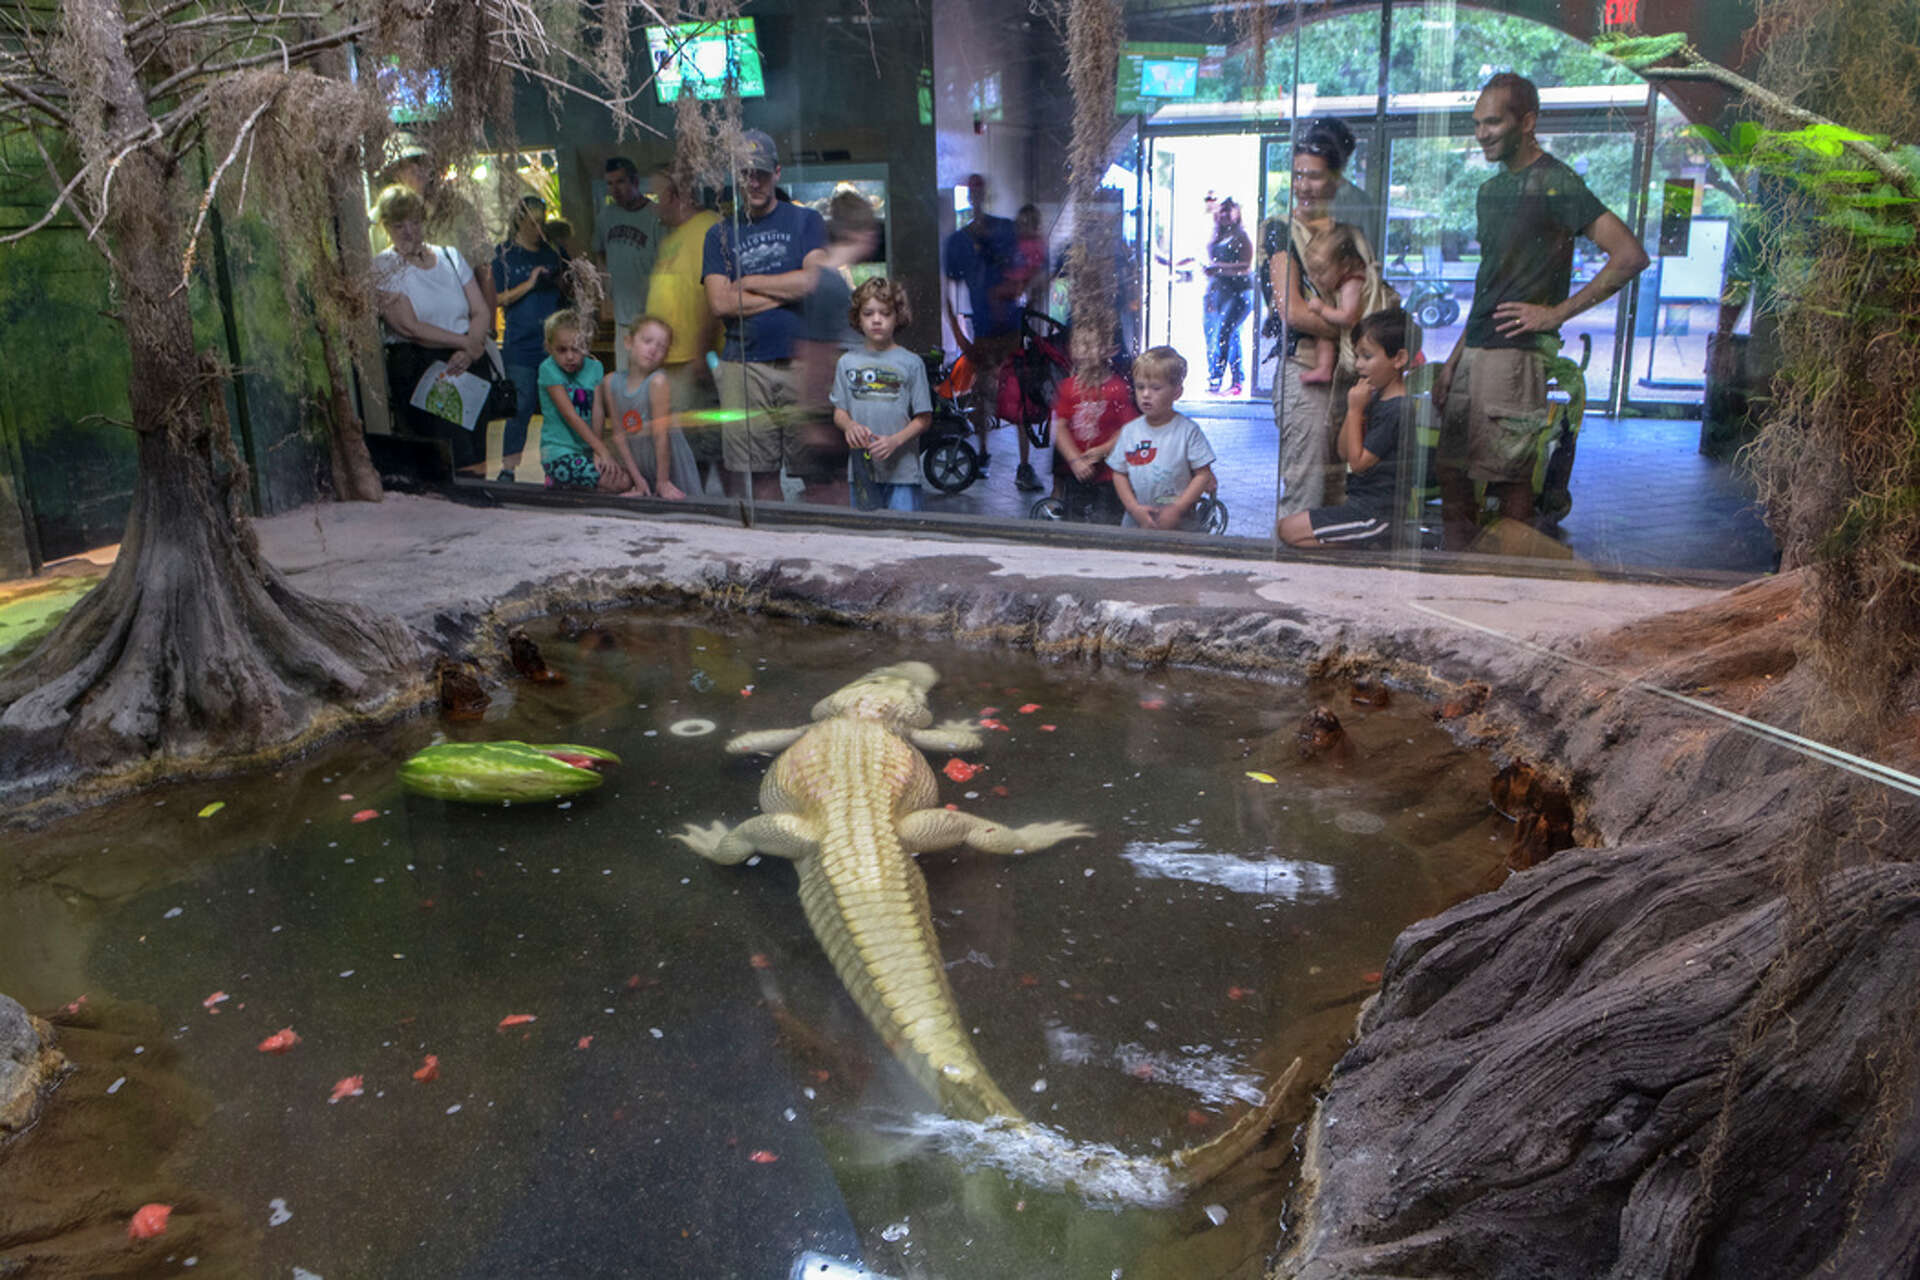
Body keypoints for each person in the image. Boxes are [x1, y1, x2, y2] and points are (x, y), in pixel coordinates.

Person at [1433, 72, 1649, 548]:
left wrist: (1556, 315)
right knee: (1450, 472)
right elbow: (1489, 284)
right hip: (1476, 351)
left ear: (1527, 121)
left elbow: (1630, 255)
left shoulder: (1556, 181)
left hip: (1516, 356)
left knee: (1509, 478)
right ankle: (1457, 583)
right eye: (1477, 123)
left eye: (1492, 122)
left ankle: (1510, 588)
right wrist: (1452, 362)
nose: (1482, 133)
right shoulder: (1490, 192)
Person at [702, 129, 828, 501]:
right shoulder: (720, 234)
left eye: (760, 172)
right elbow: (721, 304)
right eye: (745, 173)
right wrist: (788, 292)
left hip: (802, 362)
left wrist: (750, 283)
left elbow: (814, 283)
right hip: (744, 367)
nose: (753, 181)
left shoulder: (806, 222)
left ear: (777, 172)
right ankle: (776, 552)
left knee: (819, 476)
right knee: (760, 477)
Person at [1267, 119, 1378, 524]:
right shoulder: (1280, 230)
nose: (1304, 186)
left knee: (1339, 491)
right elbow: (1291, 311)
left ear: (1335, 180)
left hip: (1349, 377)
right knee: (1306, 491)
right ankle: (1288, 577)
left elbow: (1370, 299)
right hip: (1303, 372)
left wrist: (1352, 327)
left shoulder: (1351, 232)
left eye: (1314, 176)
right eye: (1298, 175)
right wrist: (1352, 327)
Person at [371, 183, 492, 473]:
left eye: (414, 222)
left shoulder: (450, 256)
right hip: (424, 364)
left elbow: (480, 309)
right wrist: (465, 343)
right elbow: (409, 327)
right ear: (387, 227)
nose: (409, 231)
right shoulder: (384, 266)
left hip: (470, 360)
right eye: (399, 225)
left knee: (477, 452)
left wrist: (471, 348)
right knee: (451, 453)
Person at [1280, 306, 1417, 548]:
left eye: (1367, 357)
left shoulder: (1397, 409)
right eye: (1357, 356)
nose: (1359, 366)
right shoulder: (1375, 399)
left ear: (1399, 359)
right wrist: (1357, 411)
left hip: (1377, 517)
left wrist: (1354, 410)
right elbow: (1344, 452)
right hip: (1358, 507)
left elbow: (1358, 463)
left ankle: (1366, 547)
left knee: (1290, 531)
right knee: (1286, 527)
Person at [943, 174, 1040, 490]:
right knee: (982, 392)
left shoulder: (1005, 231)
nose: (976, 197)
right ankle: (982, 453)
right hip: (983, 331)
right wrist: (959, 335)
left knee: (1019, 393)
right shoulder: (959, 242)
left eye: (980, 190)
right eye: (972, 192)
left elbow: (1028, 269)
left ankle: (1024, 465)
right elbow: (949, 289)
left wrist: (1018, 295)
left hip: (1010, 328)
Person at [795, 189, 881, 505]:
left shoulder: (832, 280)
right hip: (827, 413)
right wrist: (816, 418)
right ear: (862, 232)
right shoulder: (828, 284)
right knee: (831, 494)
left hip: (832, 410)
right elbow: (816, 352)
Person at [645, 164, 723, 491]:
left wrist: (702, 351)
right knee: (679, 446)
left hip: (694, 362)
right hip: (668, 364)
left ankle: (706, 507)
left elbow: (713, 297)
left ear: (677, 195)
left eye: (656, 194)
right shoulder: (670, 238)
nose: (652, 203)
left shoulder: (710, 229)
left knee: (701, 447)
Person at [832, 277, 932, 512]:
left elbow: (924, 418)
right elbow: (839, 412)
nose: (877, 320)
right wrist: (850, 427)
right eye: (868, 313)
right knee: (865, 537)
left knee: (903, 538)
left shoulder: (911, 363)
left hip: (902, 473)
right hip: (862, 472)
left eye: (885, 313)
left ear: (897, 317)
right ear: (858, 317)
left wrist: (895, 441)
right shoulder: (846, 362)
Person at [490, 194, 570, 482]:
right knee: (520, 408)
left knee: (558, 407)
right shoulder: (504, 255)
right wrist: (530, 283)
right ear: (519, 222)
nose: (538, 229)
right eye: (533, 223)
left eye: (542, 222)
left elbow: (567, 292)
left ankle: (557, 466)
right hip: (520, 345)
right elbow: (497, 298)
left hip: (553, 344)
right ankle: (508, 469)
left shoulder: (552, 252)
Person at [1108, 346, 1217, 531]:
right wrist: (1134, 508)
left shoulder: (1188, 431)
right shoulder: (1130, 432)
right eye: (1140, 387)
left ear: (1176, 392)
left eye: (1155, 388)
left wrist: (1178, 508)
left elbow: (1203, 474)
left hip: (1181, 522)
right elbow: (1119, 473)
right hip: (1137, 521)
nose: (1145, 394)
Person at [596, 315, 700, 500]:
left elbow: (661, 437)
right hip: (638, 462)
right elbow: (619, 436)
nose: (653, 350)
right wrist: (637, 479)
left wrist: (663, 481)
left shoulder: (657, 382)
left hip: (666, 465)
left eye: (661, 347)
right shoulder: (610, 382)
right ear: (628, 342)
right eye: (647, 341)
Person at [537, 308, 639, 493]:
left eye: (576, 349)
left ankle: (572, 485)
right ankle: (556, 478)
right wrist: (602, 450)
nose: (570, 356)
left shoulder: (595, 368)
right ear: (549, 347)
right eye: (562, 350)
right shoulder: (548, 369)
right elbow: (570, 415)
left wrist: (597, 451)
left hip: (587, 450)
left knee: (626, 477)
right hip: (558, 453)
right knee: (621, 483)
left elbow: (597, 411)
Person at [593, 156, 665, 372]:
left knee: (653, 380)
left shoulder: (656, 216)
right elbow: (600, 254)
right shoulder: (605, 216)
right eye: (610, 183)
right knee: (625, 379)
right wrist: (605, 293)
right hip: (622, 318)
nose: (615, 189)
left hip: (652, 314)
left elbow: (666, 263)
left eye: (621, 182)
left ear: (634, 182)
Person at [1300, 223, 1393, 386]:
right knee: (1323, 331)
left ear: (1345, 265)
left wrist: (1322, 309)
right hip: (1353, 346)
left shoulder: (1352, 283)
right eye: (1311, 273)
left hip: (1360, 348)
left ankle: (1324, 368)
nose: (1315, 278)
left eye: (1321, 272)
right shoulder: (1340, 284)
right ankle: (1324, 368)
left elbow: (1349, 317)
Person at [1048, 356, 1133, 525]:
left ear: (1109, 350)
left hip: (1110, 473)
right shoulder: (1068, 387)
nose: (1084, 352)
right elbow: (1059, 426)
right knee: (1075, 522)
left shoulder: (1117, 388)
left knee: (1106, 524)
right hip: (1077, 472)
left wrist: (1104, 449)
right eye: (1080, 346)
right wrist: (1074, 460)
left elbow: (1129, 428)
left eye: (1090, 346)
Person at [1201, 197, 1253, 396]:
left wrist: (1219, 268)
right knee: (1230, 335)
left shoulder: (1241, 235)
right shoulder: (1218, 235)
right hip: (1221, 293)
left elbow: (1246, 266)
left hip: (1240, 293)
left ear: (1237, 213)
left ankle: (1217, 378)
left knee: (1225, 333)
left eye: (1229, 210)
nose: (1224, 215)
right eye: (1222, 210)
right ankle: (1235, 381)